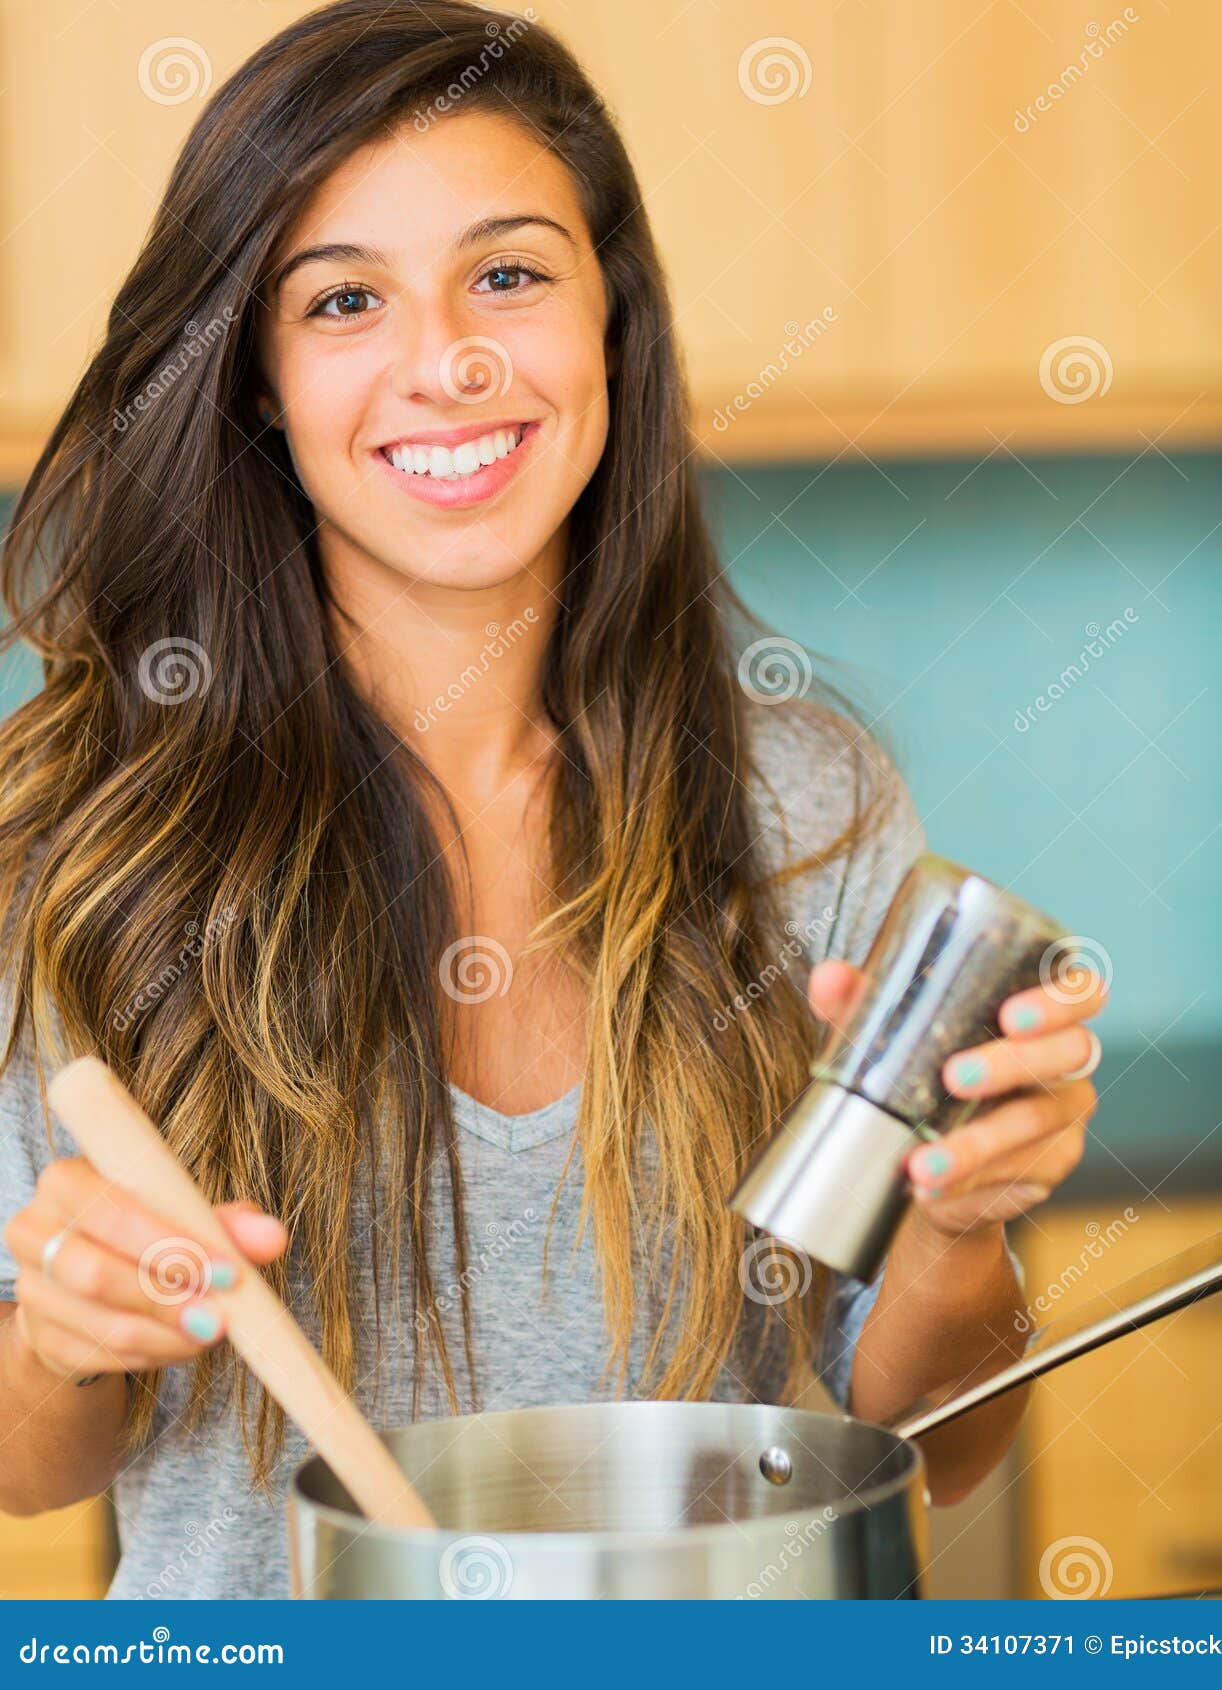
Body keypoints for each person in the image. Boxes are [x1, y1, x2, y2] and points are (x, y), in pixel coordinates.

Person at [0, 0, 1104, 1599]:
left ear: (611, 320)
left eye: (508, 275)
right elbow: (36, 1469)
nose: (446, 362)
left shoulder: (809, 804)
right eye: (343, 300)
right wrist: (68, 1334)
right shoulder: (79, 844)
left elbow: (944, 1434)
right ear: (253, 378)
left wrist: (959, 1211)